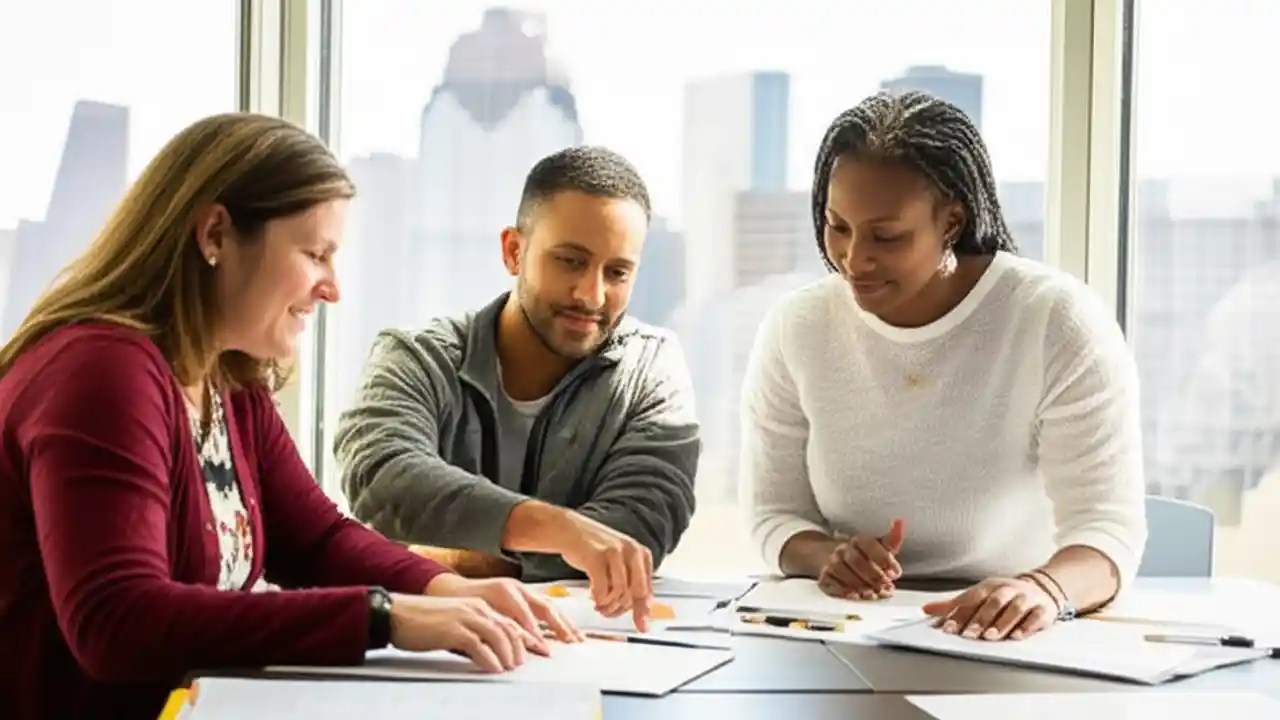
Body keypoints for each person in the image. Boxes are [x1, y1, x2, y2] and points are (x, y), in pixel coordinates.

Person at [0, 113, 582, 720]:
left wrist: (447, 590)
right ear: (215, 235)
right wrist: (383, 617)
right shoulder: (102, 373)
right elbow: (117, 621)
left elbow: (314, 539)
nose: (332, 288)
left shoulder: (226, 377)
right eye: (315, 254)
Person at [741, 91, 1147, 642]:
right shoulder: (799, 326)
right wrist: (828, 556)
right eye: (838, 226)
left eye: (886, 236)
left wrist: (1042, 590)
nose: (854, 258)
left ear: (952, 221)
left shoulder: (1056, 321)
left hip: (1010, 637)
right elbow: (773, 515)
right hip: (849, 630)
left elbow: (1107, 530)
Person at [335, 146, 700, 630]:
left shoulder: (651, 368)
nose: (591, 295)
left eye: (617, 272)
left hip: (585, 645)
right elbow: (384, 479)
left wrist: (454, 562)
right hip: (426, 644)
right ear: (513, 251)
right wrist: (563, 531)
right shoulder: (416, 357)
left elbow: (639, 525)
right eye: (570, 261)